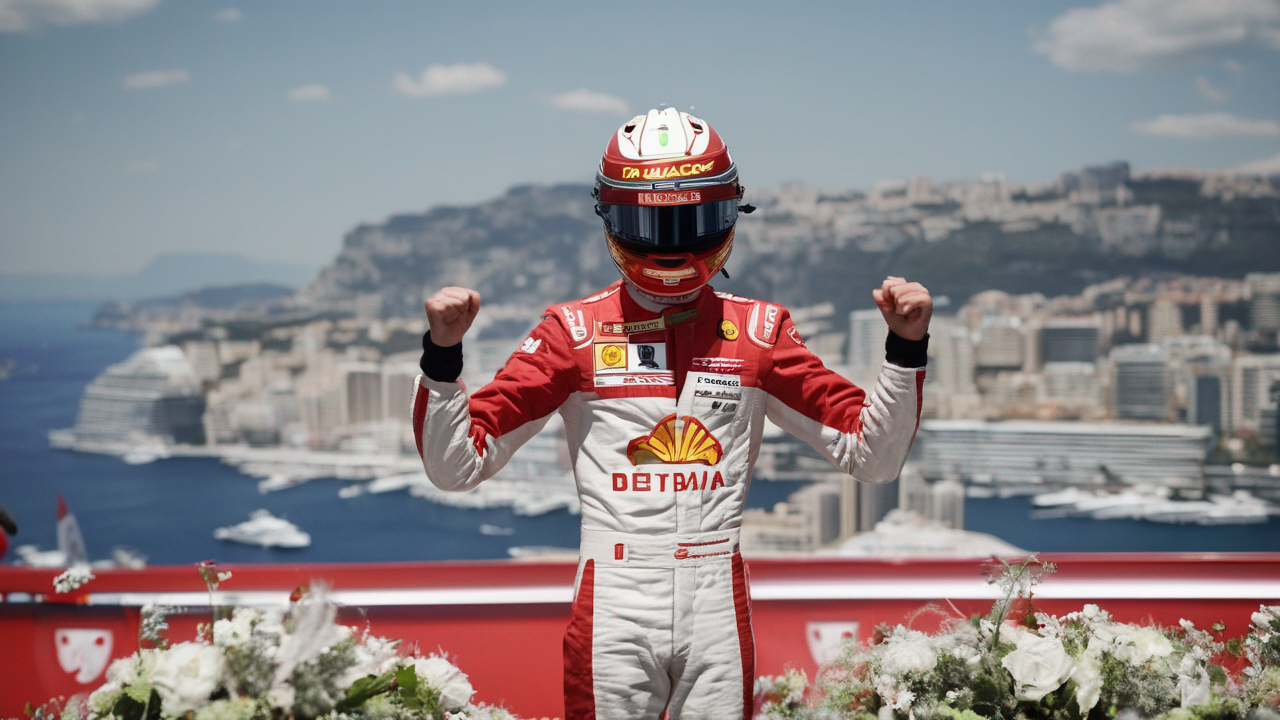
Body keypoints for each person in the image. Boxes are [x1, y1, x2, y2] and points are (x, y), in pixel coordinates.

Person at [413, 108, 932, 720]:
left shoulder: (760, 331)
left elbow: (874, 458)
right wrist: (442, 358)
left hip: (716, 588)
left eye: (693, 220)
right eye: (650, 223)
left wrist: (905, 348)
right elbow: (454, 467)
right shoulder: (571, 332)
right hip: (614, 594)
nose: (673, 245)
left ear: (731, 213)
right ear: (611, 216)